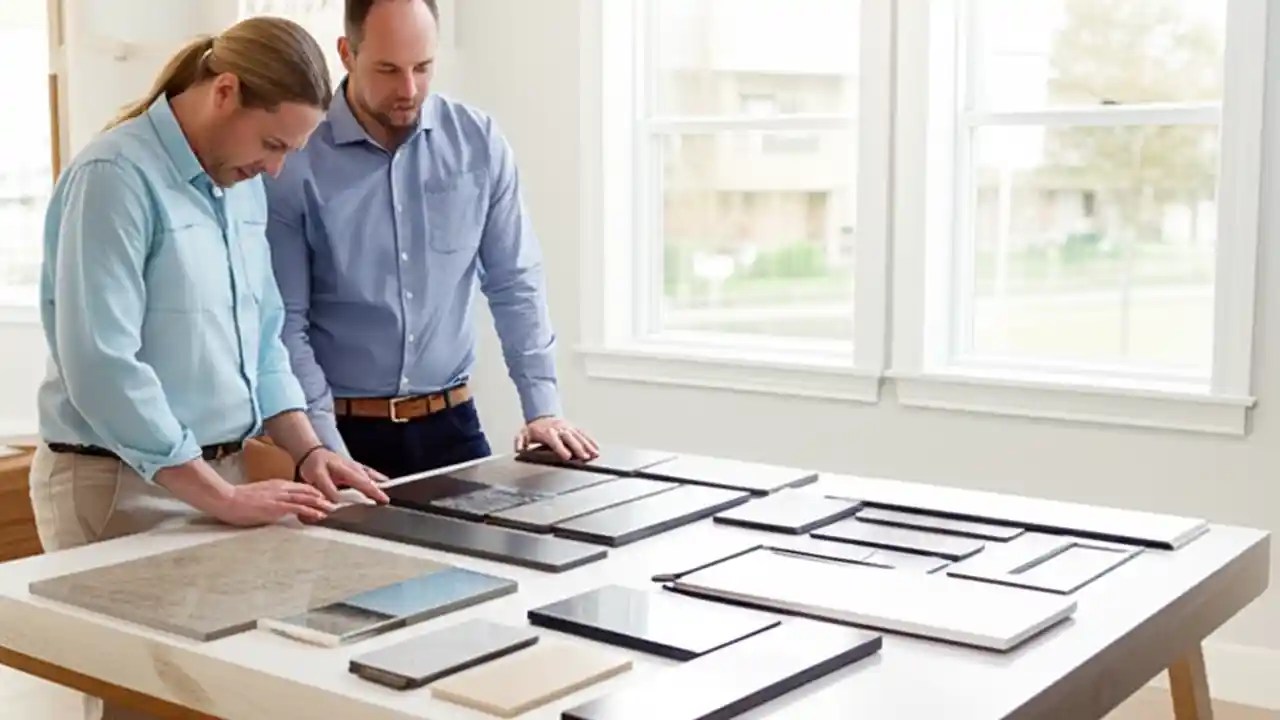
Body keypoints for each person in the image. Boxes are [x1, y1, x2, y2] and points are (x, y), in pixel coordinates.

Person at [29, 17, 392, 686]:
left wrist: (311, 451)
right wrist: (218, 495)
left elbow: (264, 340)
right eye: (272, 143)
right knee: (146, 698)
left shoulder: (242, 184)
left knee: (226, 690)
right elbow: (101, 367)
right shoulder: (116, 176)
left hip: (217, 481)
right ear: (224, 92)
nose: (276, 167)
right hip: (119, 485)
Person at [263, 0, 598, 480]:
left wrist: (542, 407)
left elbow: (514, 281)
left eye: (423, 67)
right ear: (346, 53)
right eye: (387, 69)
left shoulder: (477, 142)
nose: (408, 89)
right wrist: (323, 448)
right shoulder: (294, 161)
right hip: (339, 431)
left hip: (453, 427)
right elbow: (284, 325)